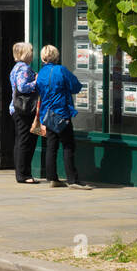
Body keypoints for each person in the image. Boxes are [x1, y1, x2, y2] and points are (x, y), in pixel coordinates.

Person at [36, 44, 92, 189]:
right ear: (56, 56)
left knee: (51, 146)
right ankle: (72, 179)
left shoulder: (41, 73)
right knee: (68, 146)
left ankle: (52, 178)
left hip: (47, 114)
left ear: (43, 57)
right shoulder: (61, 70)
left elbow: (38, 89)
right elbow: (76, 86)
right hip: (61, 113)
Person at [8, 41, 40, 184]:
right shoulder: (24, 68)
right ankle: (23, 175)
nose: (32, 54)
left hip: (16, 108)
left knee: (21, 141)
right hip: (24, 109)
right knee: (25, 141)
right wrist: (36, 81)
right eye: (31, 52)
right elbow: (22, 87)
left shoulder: (17, 67)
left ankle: (22, 173)